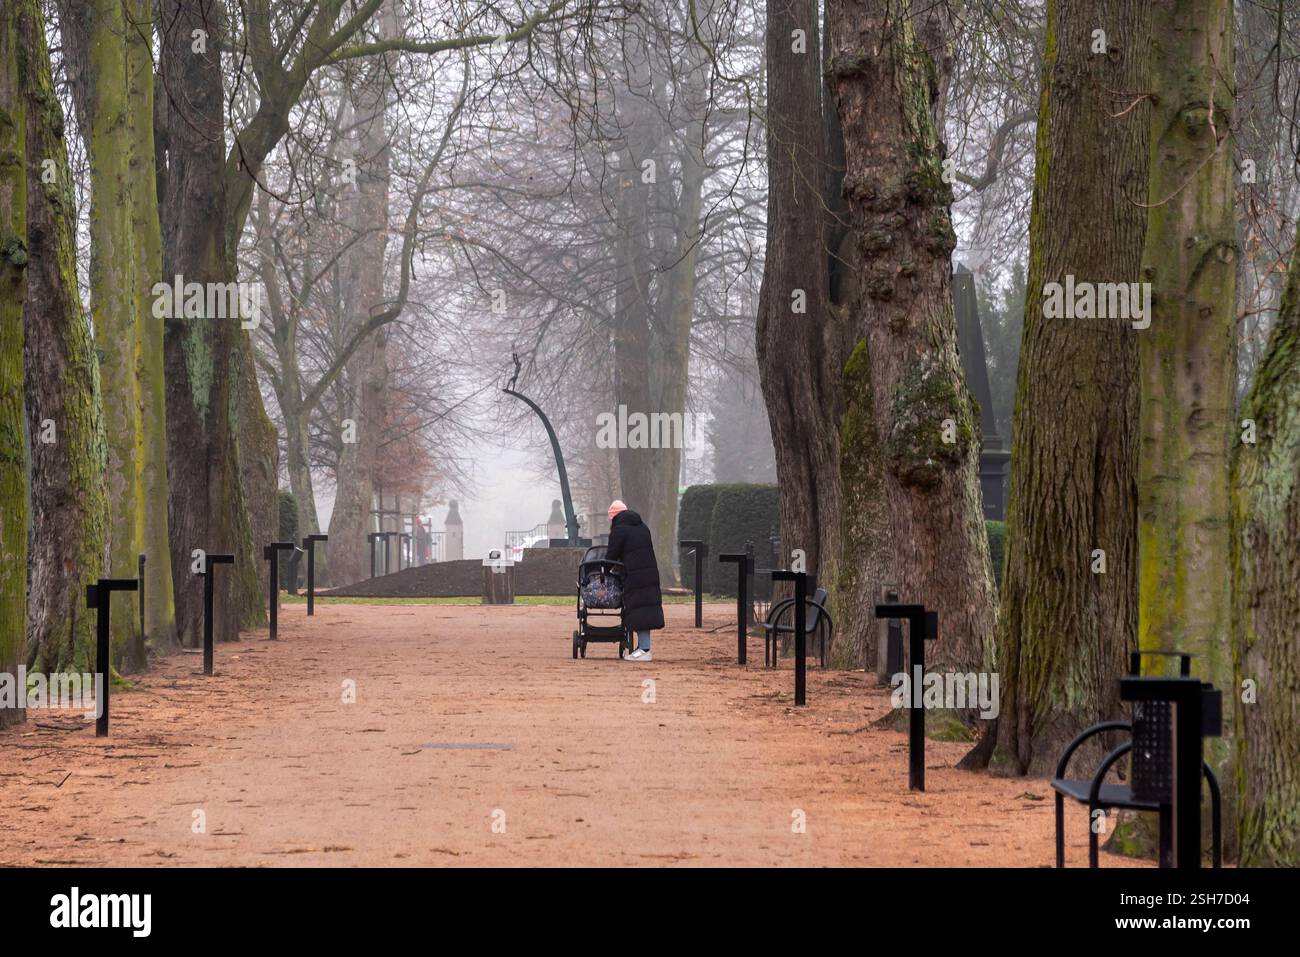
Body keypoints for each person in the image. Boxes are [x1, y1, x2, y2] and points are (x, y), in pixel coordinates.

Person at [604, 499, 664, 661]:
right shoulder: (643, 527)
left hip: (634, 575)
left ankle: (644, 650)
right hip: (649, 573)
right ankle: (642, 647)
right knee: (645, 609)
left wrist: (604, 571)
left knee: (639, 610)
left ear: (614, 517)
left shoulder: (619, 530)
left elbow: (611, 556)